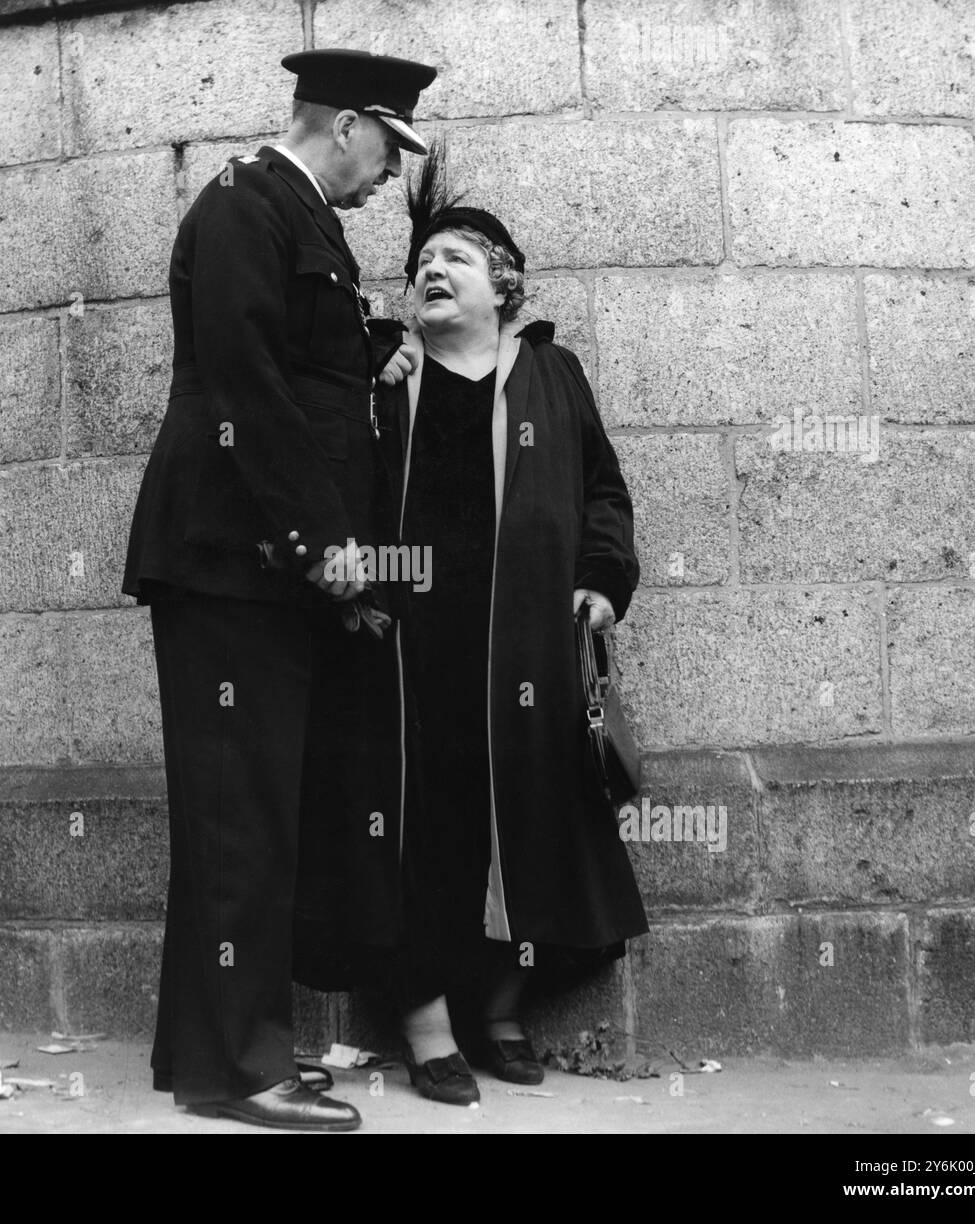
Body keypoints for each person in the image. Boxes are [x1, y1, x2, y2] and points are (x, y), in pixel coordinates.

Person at [120, 48, 436, 1132]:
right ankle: (237, 1071)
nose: (392, 174)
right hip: (230, 560)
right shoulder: (242, 204)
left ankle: (202, 1051)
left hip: (259, 566)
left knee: (245, 815)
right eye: (389, 147)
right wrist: (323, 540)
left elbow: (306, 373)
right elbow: (245, 384)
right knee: (240, 820)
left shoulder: (301, 219)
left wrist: (373, 353)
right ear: (346, 124)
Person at [373, 146, 649, 1105]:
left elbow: (603, 490)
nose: (432, 271)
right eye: (420, 265)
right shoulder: (387, 374)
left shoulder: (550, 373)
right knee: (426, 830)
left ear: (504, 282)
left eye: (454, 256)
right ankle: (424, 1022)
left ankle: (498, 1009)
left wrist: (604, 580)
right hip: (413, 652)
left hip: (526, 646)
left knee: (529, 824)